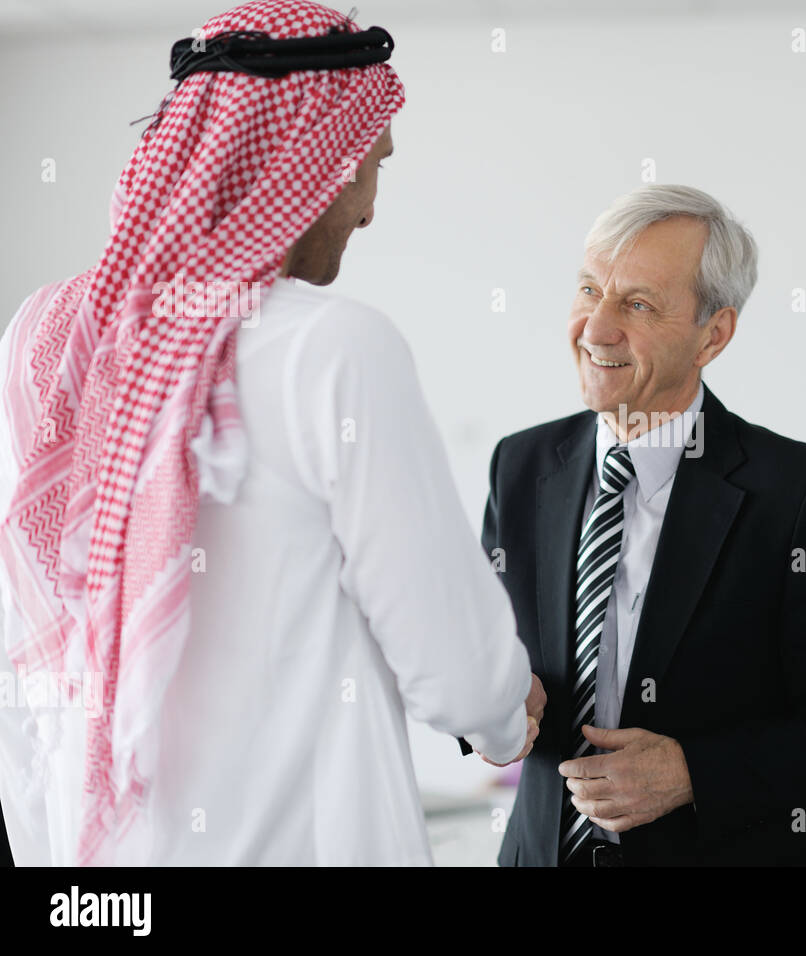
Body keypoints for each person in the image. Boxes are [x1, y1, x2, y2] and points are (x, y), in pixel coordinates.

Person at [0, 0, 540, 866]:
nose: (369, 210)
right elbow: (458, 668)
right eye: (371, 169)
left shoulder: (49, 333)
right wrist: (509, 721)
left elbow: (23, 637)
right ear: (314, 166)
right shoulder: (334, 344)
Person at [475, 183, 806, 866]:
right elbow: (485, 652)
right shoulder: (521, 465)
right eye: (590, 290)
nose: (595, 329)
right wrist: (490, 708)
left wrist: (691, 772)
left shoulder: (797, 492)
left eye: (638, 304)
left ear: (714, 335)